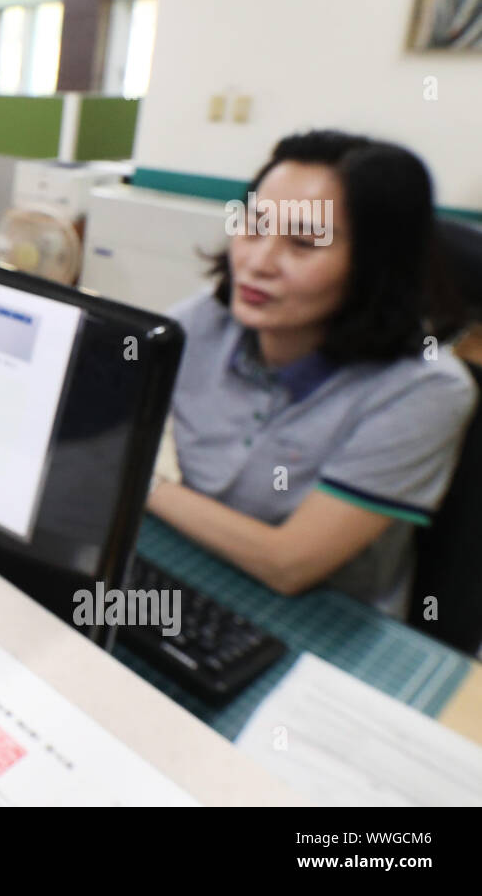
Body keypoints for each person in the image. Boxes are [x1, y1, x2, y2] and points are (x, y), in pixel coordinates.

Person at [147, 130, 477, 617]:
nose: (257, 263)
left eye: (302, 243)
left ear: (374, 265)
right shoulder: (207, 320)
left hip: (324, 622)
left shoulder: (424, 389)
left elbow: (288, 564)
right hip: (194, 568)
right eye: (254, 227)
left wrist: (147, 483)